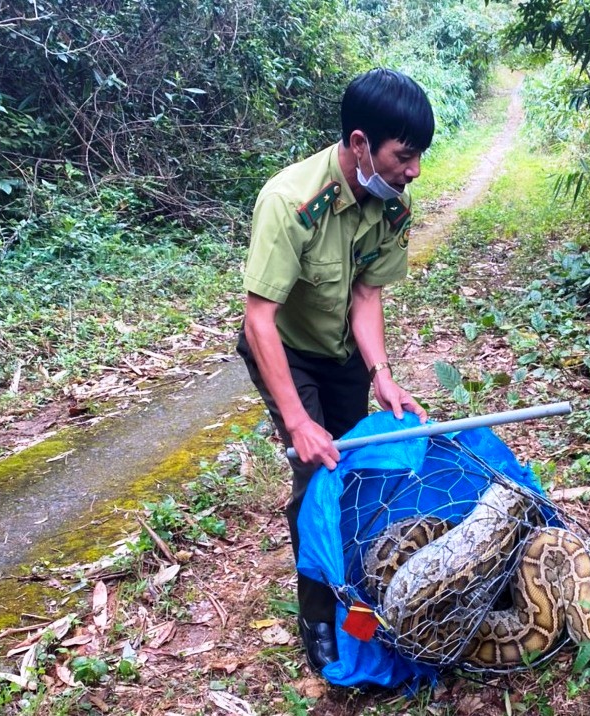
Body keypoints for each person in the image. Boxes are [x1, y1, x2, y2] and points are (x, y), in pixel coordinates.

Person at [236, 68, 434, 675]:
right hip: (288, 350)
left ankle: (361, 592)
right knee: (317, 472)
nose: (414, 171)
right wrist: (298, 420)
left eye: (420, 157)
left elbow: (366, 296)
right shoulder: (289, 202)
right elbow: (258, 320)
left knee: (354, 467)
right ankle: (319, 616)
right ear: (359, 143)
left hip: (342, 353)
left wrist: (381, 373)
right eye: (404, 155)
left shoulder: (393, 203)